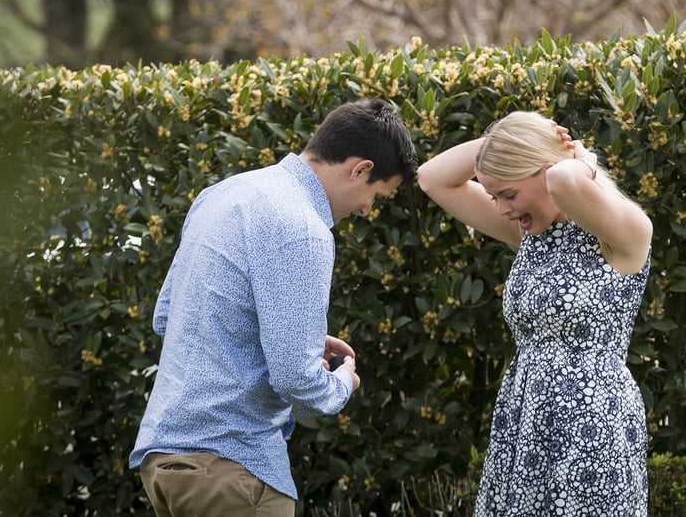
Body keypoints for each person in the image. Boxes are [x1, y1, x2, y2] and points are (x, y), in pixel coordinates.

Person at [129, 98, 418, 517]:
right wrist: (342, 383)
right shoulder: (304, 229)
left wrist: (288, 333)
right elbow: (297, 380)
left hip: (165, 462)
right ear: (360, 169)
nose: (366, 210)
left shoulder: (222, 193)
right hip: (231, 467)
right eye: (376, 195)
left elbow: (167, 316)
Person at [416, 111, 653, 516]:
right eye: (494, 197)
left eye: (508, 194)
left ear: (545, 170)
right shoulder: (531, 234)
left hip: (592, 424)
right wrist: (503, 140)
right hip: (524, 420)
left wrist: (580, 161)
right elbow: (432, 178)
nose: (501, 208)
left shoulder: (624, 232)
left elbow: (562, 181)